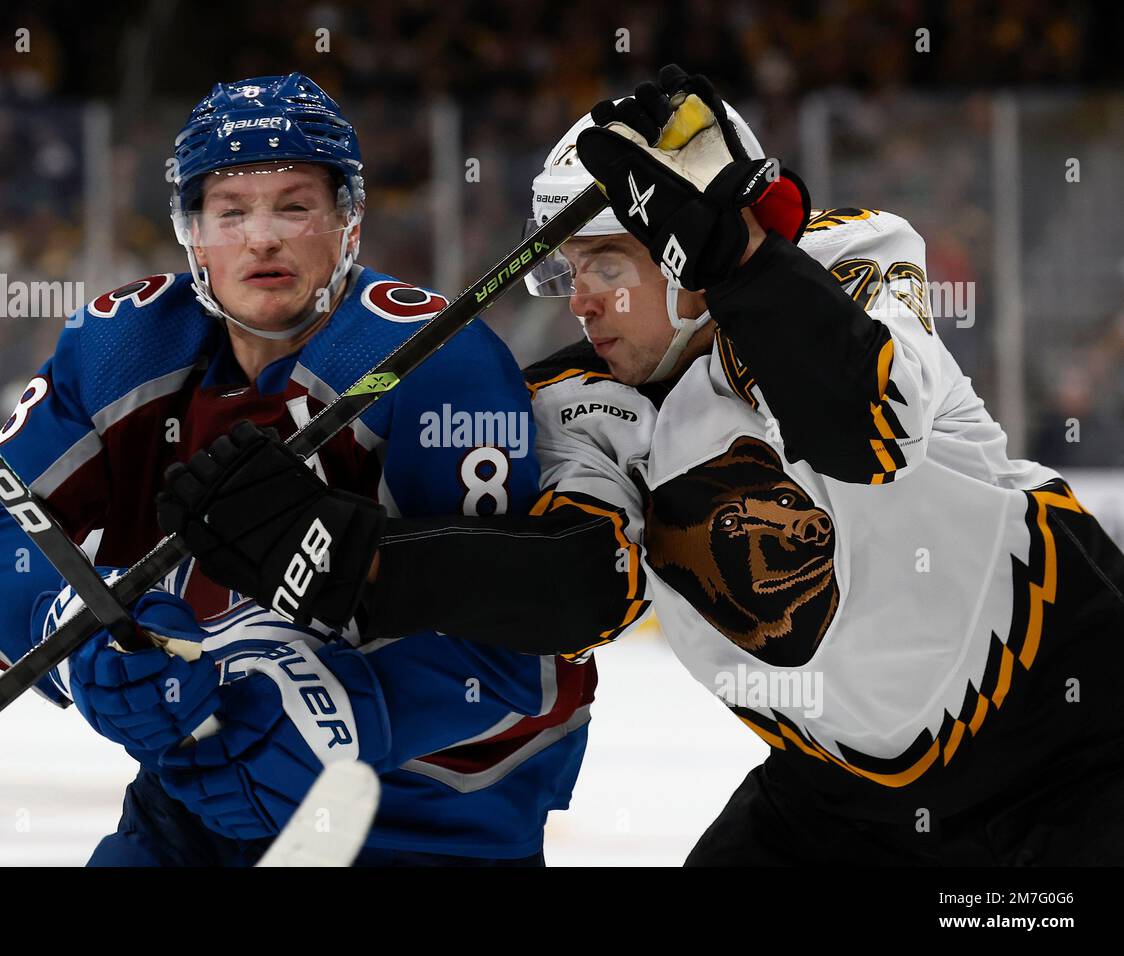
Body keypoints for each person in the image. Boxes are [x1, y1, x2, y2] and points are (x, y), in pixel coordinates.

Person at [163, 67, 1124, 865]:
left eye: (607, 263)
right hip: (840, 799)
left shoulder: (841, 261)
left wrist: (736, 252)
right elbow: (578, 587)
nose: (579, 301)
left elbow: (866, 426)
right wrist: (349, 554)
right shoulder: (590, 403)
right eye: (565, 271)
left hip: (1079, 745)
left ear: (686, 249)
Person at [0, 73, 596, 866]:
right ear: (191, 231)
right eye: (230, 211)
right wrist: (76, 628)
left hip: (429, 819)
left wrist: (340, 708)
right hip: (193, 803)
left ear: (348, 221)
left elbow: (529, 650)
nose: (262, 236)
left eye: (295, 205)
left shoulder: (435, 362)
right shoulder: (125, 348)